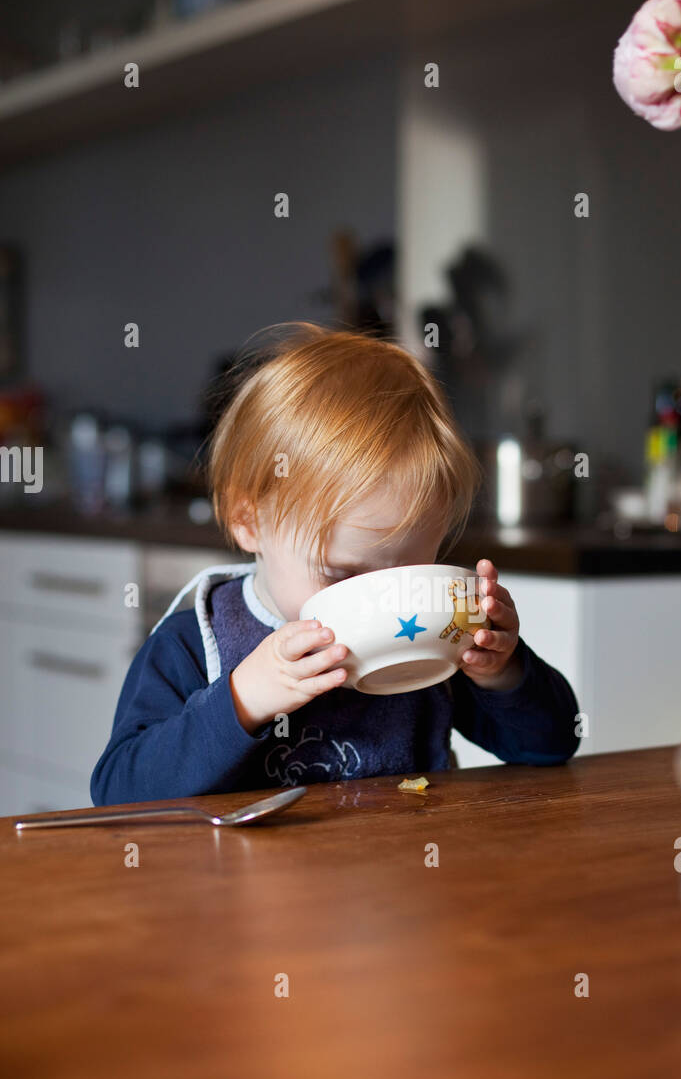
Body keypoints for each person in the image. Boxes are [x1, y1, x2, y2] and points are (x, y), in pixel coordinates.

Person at [90, 324, 580, 804]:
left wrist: (502, 672)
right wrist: (242, 701)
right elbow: (119, 792)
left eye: (404, 574)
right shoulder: (197, 641)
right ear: (248, 521)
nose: (380, 599)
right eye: (342, 574)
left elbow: (552, 745)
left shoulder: (435, 635)